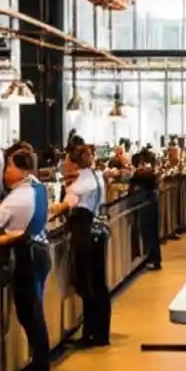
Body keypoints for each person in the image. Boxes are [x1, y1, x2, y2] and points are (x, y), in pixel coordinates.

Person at [0, 142, 53, 371]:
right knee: (34, 313)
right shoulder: (36, 186)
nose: (5, 172)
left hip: (27, 257)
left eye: (9, 166)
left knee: (31, 316)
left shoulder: (18, 198)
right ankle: (38, 367)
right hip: (40, 252)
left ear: (21, 169)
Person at [51, 145, 110, 348]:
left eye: (67, 160)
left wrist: (52, 208)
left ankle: (89, 334)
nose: (64, 163)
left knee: (86, 285)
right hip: (98, 232)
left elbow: (64, 206)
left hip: (84, 236)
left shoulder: (78, 186)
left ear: (74, 163)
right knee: (99, 285)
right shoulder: (96, 177)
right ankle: (101, 333)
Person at [131, 151, 163, 270]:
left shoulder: (146, 171)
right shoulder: (151, 170)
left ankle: (154, 259)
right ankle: (153, 257)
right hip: (152, 199)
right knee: (152, 231)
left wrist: (134, 174)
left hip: (148, 200)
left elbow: (137, 177)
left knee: (149, 230)